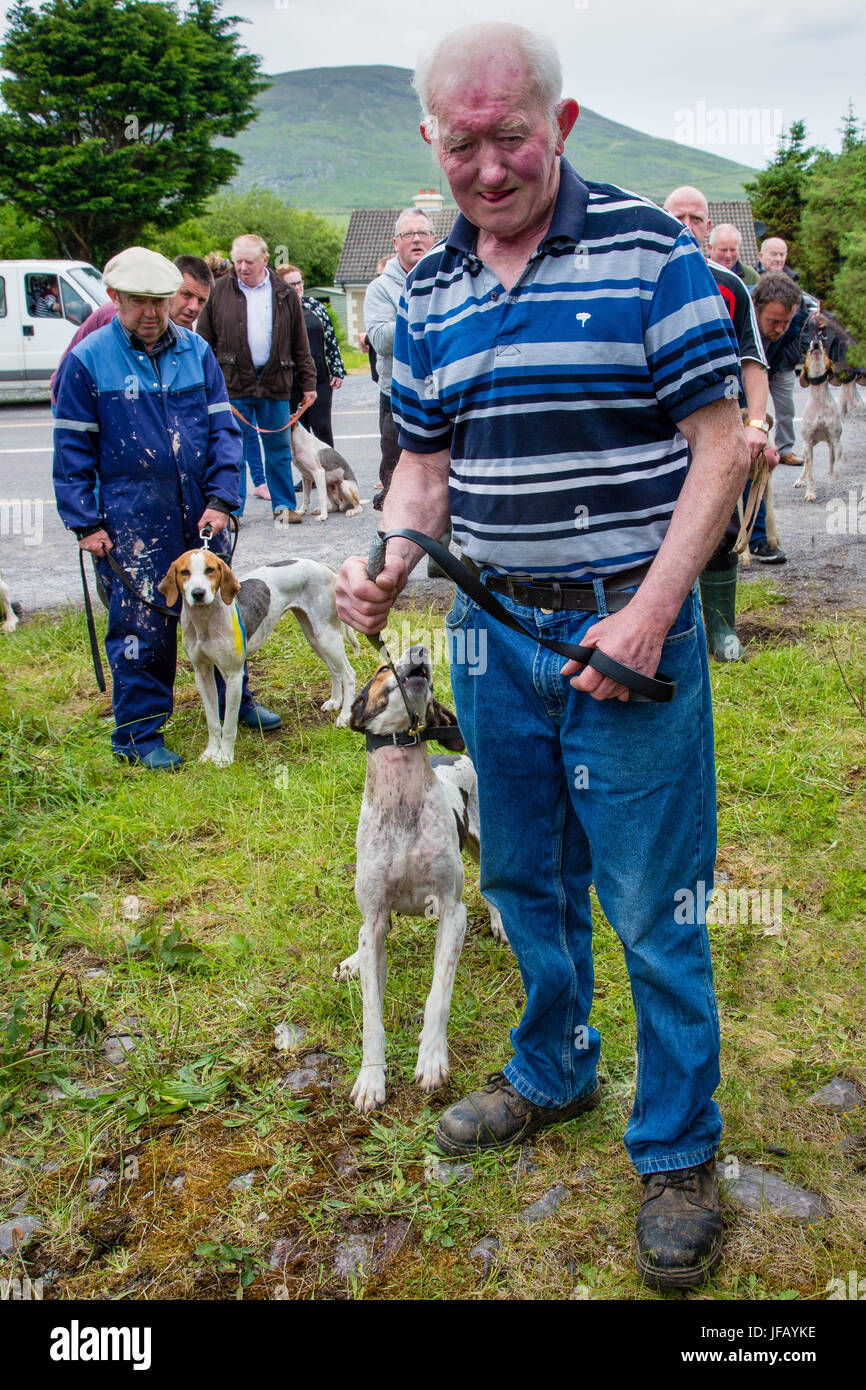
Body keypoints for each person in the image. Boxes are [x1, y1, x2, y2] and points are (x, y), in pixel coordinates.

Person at [337, 22, 750, 1289]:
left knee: (652, 898)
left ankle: (676, 1147)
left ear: (558, 125)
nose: (485, 165)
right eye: (459, 142)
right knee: (522, 878)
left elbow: (722, 442)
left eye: (509, 135)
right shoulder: (418, 289)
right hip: (485, 638)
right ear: (430, 139)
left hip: (626, 634)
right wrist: (393, 557)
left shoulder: (649, 252)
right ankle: (555, 1066)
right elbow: (423, 465)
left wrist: (644, 612)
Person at [52, 247, 281, 770]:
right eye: (138, 303)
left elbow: (226, 431)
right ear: (114, 299)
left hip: (202, 513)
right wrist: (85, 521)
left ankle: (232, 701)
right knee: (139, 628)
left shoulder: (197, 353)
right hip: (130, 519)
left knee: (220, 612)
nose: (152, 314)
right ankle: (139, 735)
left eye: (160, 301)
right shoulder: (88, 362)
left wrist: (224, 499)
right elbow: (71, 449)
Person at [664, 186, 783, 653]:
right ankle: (670, 628)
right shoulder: (641, 279)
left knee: (720, 520)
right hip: (657, 430)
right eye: (680, 216)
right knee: (656, 522)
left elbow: (754, 360)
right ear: (662, 218)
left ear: (708, 228)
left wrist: (756, 424)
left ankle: (720, 629)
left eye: (697, 218)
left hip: (718, 424)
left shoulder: (730, 286)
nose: (689, 225)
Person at [196, 234, 318, 525]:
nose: (242, 267)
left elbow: (300, 342)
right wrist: (204, 381)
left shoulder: (284, 293)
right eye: (237, 261)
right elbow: (203, 340)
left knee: (277, 448)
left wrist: (309, 383)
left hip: (275, 381)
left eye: (248, 261)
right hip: (233, 382)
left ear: (265, 259)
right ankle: (232, 509)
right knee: (231, 449)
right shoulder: (219, 291)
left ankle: (284, 506)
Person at [52, 255, 216, 398]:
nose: (194, 307)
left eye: (201, 300)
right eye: (186, 295)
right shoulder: (124, 318)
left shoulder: (184, 332)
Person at [363, 210, 436, 508]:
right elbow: (380, 340)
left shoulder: (451, 279)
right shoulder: (380, 288)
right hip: (398, 398)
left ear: (433, 239)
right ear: (396, 242)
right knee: (397, 488)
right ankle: (392, 553)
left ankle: (440, 555)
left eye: (422, 233)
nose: (416, 239)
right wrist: (426, 320)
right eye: (408, 234)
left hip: (444, 396)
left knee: (442, 486)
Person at [278, 263, 346, 447]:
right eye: (291, 284)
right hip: (291, 381)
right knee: (300, 432)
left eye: (299, 283)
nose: (297, 287)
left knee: (322, 426)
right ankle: (309, 475)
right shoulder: (276, 312)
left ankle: (331, 471)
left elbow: (331, 339)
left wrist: (337, 370)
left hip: (320, 378)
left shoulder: (315, 307)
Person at [752, 273, 809, 470]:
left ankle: (784, 450)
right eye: (773, 321)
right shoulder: (737, 321)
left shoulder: (791, 323)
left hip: (775, 367)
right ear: (756, 309)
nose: (780, 329)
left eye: (786, 322)